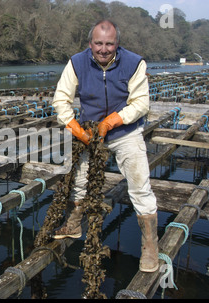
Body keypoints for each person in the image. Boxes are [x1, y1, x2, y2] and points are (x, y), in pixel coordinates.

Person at [52, 20, 159, 273]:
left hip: (125, 131)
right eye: (98, 43)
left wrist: (113, 120)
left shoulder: (134, 63)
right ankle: (75, 225)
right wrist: (75, 127)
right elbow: (61, 98)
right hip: (89, 131)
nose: (103, 49)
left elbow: (141, 103)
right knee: (78, 180)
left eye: (109, 43)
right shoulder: (76, 62)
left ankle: (150, 246)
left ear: (117, 44)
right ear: (90, 43)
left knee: (140, 185)